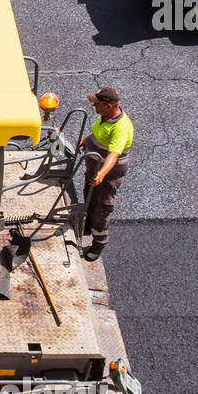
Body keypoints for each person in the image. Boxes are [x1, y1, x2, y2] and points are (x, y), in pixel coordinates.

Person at [81, 86, 133, 262]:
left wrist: (102, 174)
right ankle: (86, 226)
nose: (94, 107)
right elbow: (98, 134)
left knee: (101, 207)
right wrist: (87, 141)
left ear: (108, 105)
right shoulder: (104, 117)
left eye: (97, 104)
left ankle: (98, 243)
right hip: (94, 167)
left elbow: (113, 155)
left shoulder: (121, 127)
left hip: (108, 173)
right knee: (88, 195)